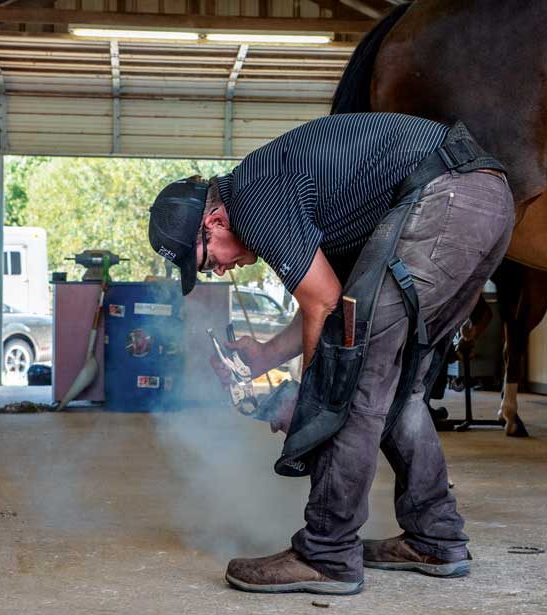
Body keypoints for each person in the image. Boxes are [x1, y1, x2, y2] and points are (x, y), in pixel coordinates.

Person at [147, 112, 514, 595]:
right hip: (484, 198)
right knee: (399, 390)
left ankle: (327, 553)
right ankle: (435, 537)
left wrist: (308, 401)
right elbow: (332, 297)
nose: (216, 269)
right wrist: (265, 355)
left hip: (444, 197)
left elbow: (323, 308)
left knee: (353, 386)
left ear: (214, 221)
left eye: (205, 259)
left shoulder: (252, 198)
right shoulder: (284, 191)